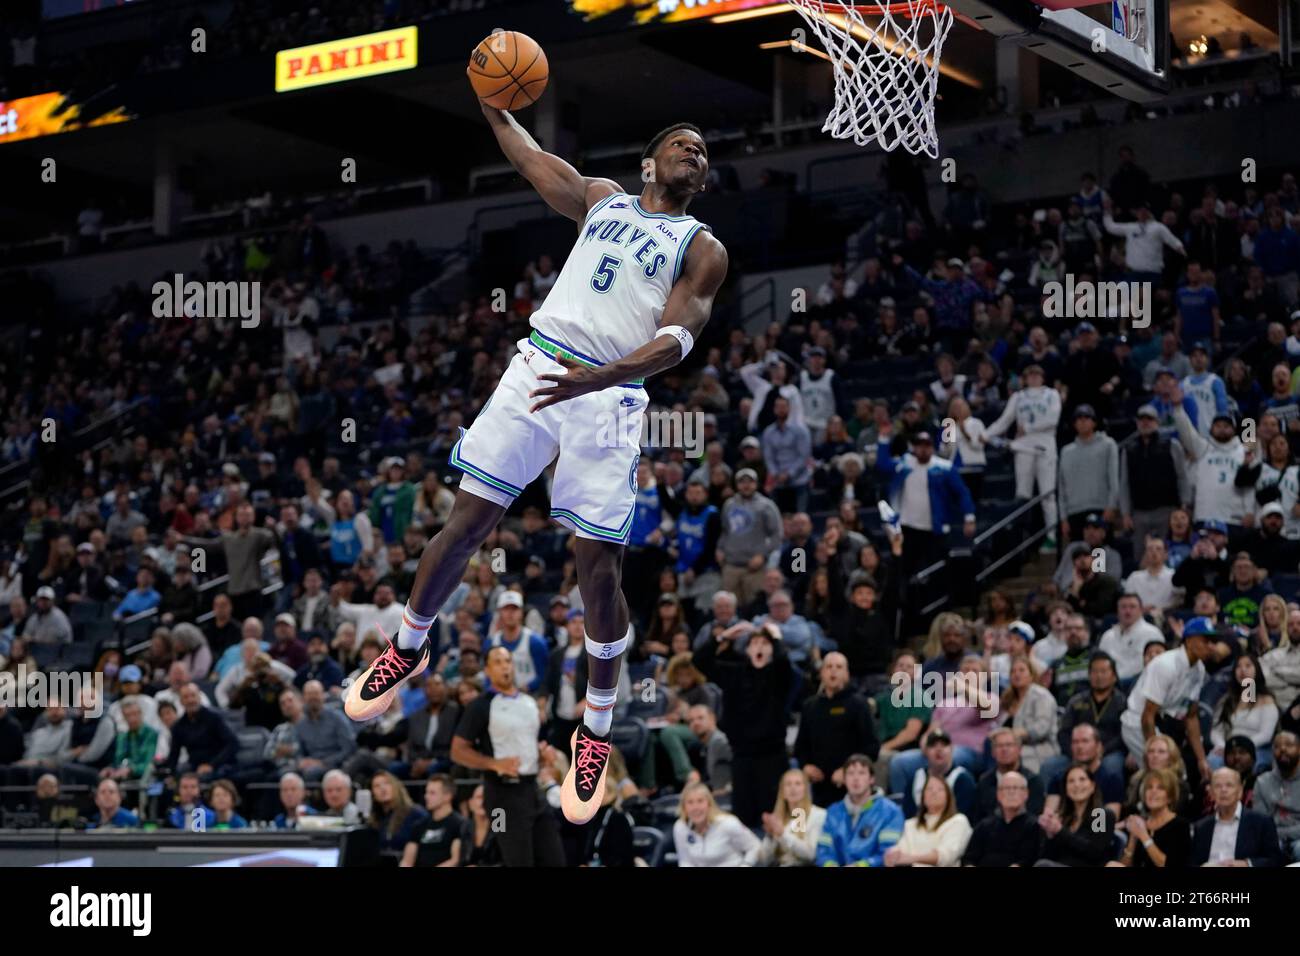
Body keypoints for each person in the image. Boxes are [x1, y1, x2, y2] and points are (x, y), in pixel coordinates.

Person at [345, 111, 730, 832]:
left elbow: (678, 338)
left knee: (597, 573)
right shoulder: (604, 199)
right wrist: (493, 103)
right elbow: (528, 159)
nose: (695, 154)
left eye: (703, 152)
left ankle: (595, 726)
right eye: (683, 144)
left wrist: (599, 378)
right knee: (466, 524)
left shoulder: (701, 248)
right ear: (650, 162)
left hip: (610, 395)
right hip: (540, 367)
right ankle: (406, 646)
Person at [451, 647, 564, 867]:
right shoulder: (480, 706)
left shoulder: (529, 702)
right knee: (517, 861)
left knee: (555, 859)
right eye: (498, 662)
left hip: (533, 789)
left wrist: (542, 755)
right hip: (501, 796)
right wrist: (492, 763)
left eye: (508, 661)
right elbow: (457, 751)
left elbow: (528, 746)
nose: (505, 666)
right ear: (488, 670)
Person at [692, 619, 792, 827]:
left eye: (765, 644)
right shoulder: (734, 672)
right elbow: (700, 660)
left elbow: (784, 662)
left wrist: (776, 637)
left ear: (772, 650)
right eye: (754, 643)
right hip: (742, 756)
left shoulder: (779, 674)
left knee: (774, 817)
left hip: (772, 756)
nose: (759, 648)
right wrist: (724, 636)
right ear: (746, 650)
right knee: (744, 818)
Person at [1121, 618, 1216, 782]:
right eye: (1205, 640)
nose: (1211, 646)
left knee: (1178, 775)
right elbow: (1147, 716)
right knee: (1162, 776)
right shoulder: (1165, 665)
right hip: (1138, 724)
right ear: (1190, 640)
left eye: (1212, 641)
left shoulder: (1199, 669)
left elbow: (1191, 716)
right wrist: (1155, 749)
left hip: (1162, 722)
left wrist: (1202, 760)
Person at [874, 424, 976, 577]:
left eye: (927, 445)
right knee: (904, 570)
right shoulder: (904, 464)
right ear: (913, 447)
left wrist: (969, 517)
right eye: (919, 445)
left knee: (939, 571)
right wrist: (883, 439)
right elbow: (882, 465)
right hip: (907, 528)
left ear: (932, 447)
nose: (923, 449)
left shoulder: (944, 468)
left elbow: (962, 493)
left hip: (934, 529)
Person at [984, 364, 1060, 549]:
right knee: (1022, 496)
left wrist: (1028, 428)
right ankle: (1022, 538)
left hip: (1045, 446)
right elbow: (1004, 420)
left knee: (1047, 494)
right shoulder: (1018, 397)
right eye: (1030, 375)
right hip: (1023, 448)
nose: (1033, 378)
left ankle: (1052, 536)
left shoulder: (1051, 394)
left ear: (1042, 377)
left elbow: (1053, 419)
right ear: (1025, 379)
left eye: (1037, 375)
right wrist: (985, 434)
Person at [794, 652, 878, 808]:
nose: (833, 671)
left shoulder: (859, 704)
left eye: (839, 667)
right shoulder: (810, 706)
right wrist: (806, 766)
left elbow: (871, 747)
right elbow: (800, 747)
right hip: (818, 786)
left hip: (851, 786)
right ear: (821, 673)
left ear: (846, 674)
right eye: (828, 667)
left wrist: (848, 771)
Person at [1119, 405, 1186, 562]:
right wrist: (1125, 513)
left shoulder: (1171, 445)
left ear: (1157, 422)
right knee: (1140, 556)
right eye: (1141, 420)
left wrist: (1184, 504)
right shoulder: (1128, 450)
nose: (1145, 423)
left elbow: (1182, 477)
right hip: (1140, 512)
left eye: (1149, 419)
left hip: (1167, 509)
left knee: (1166, 554)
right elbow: (1124, 483)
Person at [816, 754, 904, 867]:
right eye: (850, 773)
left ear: (871, 779)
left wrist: (860, 865)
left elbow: (888, 854)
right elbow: (823, 851)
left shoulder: (891, 811)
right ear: (844, 779)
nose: (855, 778)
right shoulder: (833, 811)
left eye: (861, 773)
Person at [1189, 767, 1284, 866]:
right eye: (1218, 786)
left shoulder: (1261, 822)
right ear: (1211, 794)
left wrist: (1247, 864)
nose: (1223, 790)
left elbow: (1275, 861)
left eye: (1229, 785)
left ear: (1240, 792)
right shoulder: (1201, 827)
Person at [1056, 406, 1119, 544]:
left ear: (1094, 422)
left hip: (1101, 509)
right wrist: (1063, 518)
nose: (1082, 422)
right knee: (1080, 561)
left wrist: (1111, 505)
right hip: (1074, 513)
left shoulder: (1108, 445)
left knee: (1099, 562)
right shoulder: (1066, 452)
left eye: (1086, 418)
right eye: (1079, 419)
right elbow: (1061, 487)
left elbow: (1114, 479)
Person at [1108, 768, 1191, 868]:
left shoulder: (1181, 825)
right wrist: (1132, 840)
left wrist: (1143, 835)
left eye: (1160, 788)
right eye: (1149, 788)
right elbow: (1125, 865)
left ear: (1170, 797)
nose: (1153, 792)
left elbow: (1167, 864)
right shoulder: (1141, 823)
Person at [1034, 764, 1115, 866]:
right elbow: (1049, 856)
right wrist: (1050, 835)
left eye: (1082, 779)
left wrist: (1060, 831)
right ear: (1066, 789)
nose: (1076, 785)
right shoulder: (1063, 818)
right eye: (1071, 781)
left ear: (1092, 786)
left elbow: (1094, 852)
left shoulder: (1100, 814)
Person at [961, 771, 1044, 867]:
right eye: (1006, 788)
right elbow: (969, 858)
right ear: (998, 795)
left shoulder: (1034, 826)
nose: (1011, 792)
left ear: (1026, 794)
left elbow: (1028, 860)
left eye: (1016, 788)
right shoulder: (984, 826)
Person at [886, 775, 972, 867]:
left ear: (948, 796)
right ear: (922, 796)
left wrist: (913, 858)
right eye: (929, 789)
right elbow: (901, 854)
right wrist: (893, 855)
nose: (934, 792)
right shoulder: (909, 825)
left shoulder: (958, 821)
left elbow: (946, 857)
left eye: (940, 789)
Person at [673, 781, 761, 867]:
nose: (696, 808)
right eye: (690, 802)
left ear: (709, 804)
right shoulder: (680, 827)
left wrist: (746, 864)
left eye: (700, 801)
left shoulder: (728, 823)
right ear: (684, 807)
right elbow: (685, 861)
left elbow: (755, 846)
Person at [999, 656, 1059, 773]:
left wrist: (1018, 733)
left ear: (1031, 675)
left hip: (1039, 748)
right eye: (1013, 671)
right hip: (1011, 747)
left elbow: (1042, 728)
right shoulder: (1008, 698)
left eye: (1021, 670)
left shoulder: (1040, 695)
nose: (1017, 674)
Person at [755, 769, 826, 867]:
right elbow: (763, 860)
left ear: (805, 789)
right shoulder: (777, 817)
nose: (793, 788)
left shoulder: (818, 814)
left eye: (798, 784)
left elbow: (811, 855)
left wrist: (782, 834)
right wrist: (770, 836)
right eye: (788, 784)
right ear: (782, 792)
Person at [975, 728, 1046, 821]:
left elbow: (1035, 818)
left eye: (1009, 745)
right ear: (992, 752)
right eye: (999, 746)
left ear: (1019, 749)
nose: (1004, 749)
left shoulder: (1033, 781)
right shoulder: (984, 782)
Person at [1253, 731, 1300, 861]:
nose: (1283, 749)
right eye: (1277, 746)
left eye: (1289, 745)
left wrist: (1283, 834)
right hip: (1272, 837)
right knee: (1265, 848)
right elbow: (1260, 820)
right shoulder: (1262, 781)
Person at [1099, 593, 1165, 684]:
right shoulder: (1107, 636)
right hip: (1109, 684)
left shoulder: (1152, 633)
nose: (1127, 611)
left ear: (1141, 610)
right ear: (1117, 610)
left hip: (1139, 683)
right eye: (1123, 607)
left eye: (1132, 607)